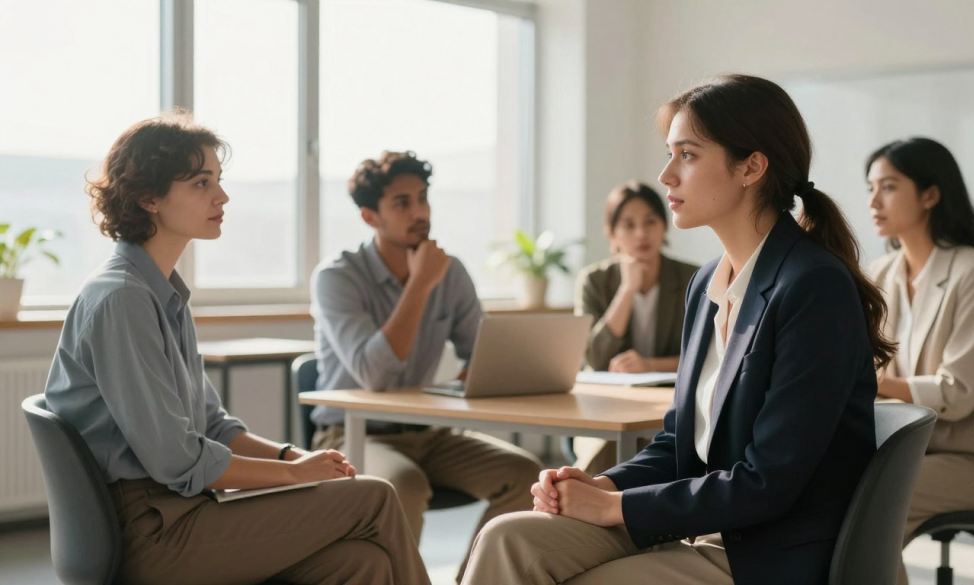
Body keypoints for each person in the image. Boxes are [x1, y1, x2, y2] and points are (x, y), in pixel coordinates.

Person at [462, 74, 896, 585]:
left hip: (766, 554)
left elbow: (768, 482)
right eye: (670, 155)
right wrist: (599, 484)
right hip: (703, 527)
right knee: (506, 535)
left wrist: (613, 508)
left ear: (752, 166)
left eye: (687, 155)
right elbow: (679, 444)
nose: (666, 175)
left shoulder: (812, 286)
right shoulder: (706, 284)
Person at [44, 113, 429, 585]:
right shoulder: (122, 299)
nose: (222, 196)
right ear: (149, 198)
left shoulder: (162, 294)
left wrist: (292, 458)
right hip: (151, 535)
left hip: (181, 513)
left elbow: (212, 425)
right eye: (202, 183)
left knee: (361, 564)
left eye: (218, 181)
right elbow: (177, 460)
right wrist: (295, 476)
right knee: (375, 498)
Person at [310, 150, 542, 580]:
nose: (419, 212)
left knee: (526, 473)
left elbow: (483, 352)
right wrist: (419, 285)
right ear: (369, 216)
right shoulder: (337, 278)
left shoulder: (450, 273)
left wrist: (485, 370)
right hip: (351, 433)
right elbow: (373, 375)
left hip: (428, 431)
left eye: (423, 198)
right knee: (404, 485)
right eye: (402, 203)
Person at [865, 137, 974, 585]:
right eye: (870, 187)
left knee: (872, 506)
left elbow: (955, 392)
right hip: (899, 449)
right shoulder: (879, 275)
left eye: (889, 187)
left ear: (931, 194)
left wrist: (873, 383)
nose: (873, 200)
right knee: (843, 505)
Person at [573, 181, 699, 474]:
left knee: (664, 457)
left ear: (664, 227)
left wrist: (649, 365)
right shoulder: (594, 281)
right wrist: (627, 290)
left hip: (670, 404)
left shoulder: (692, 277)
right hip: (605, 406)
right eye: (628, 225)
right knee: (604, 455)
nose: (641, 233)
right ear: (612, 233)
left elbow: (706, 356)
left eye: (650, 222)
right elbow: (594, 358)